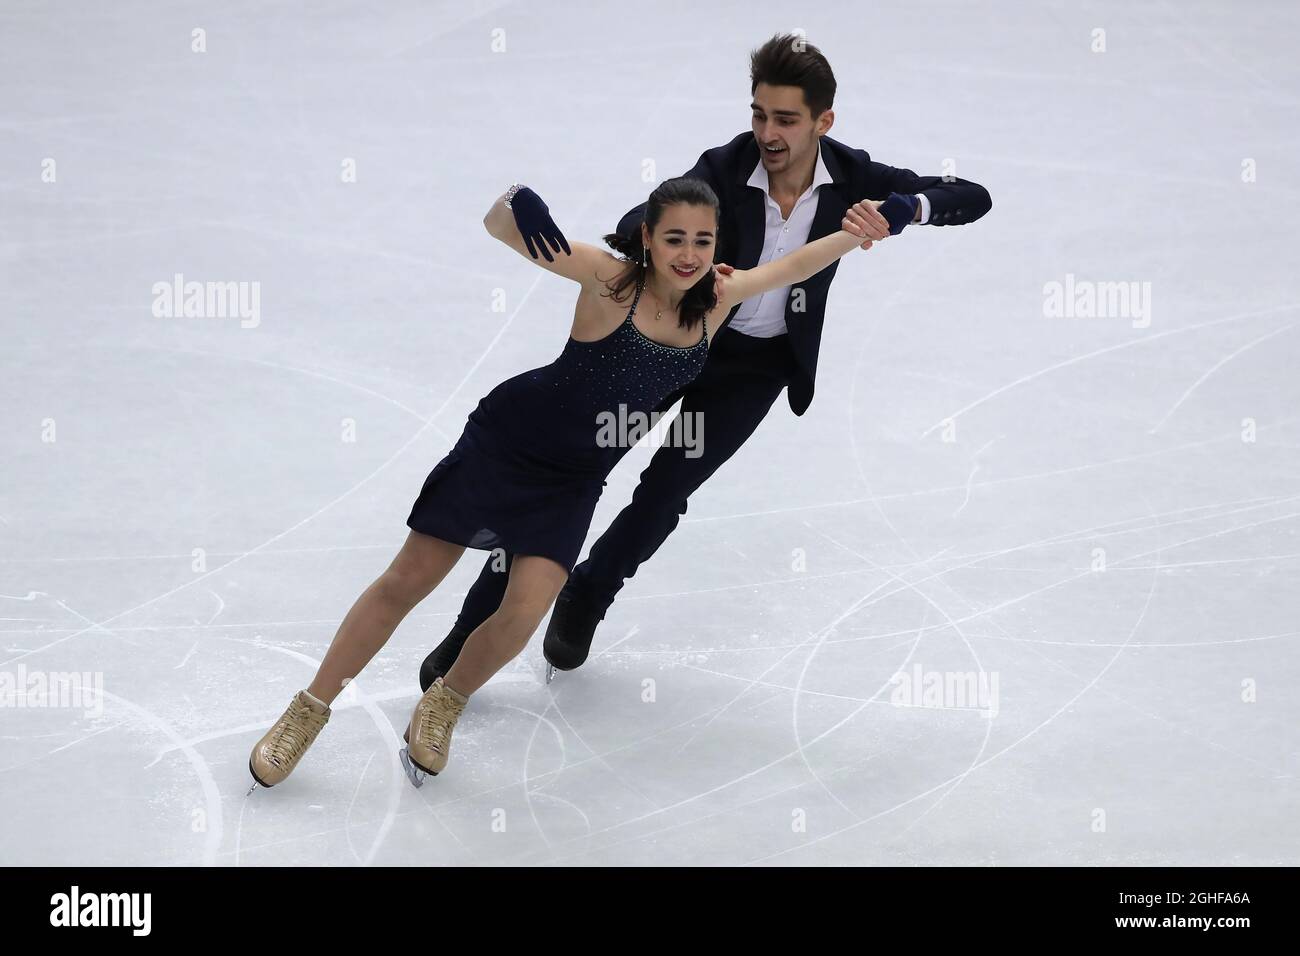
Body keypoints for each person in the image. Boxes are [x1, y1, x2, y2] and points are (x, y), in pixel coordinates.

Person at [248, 174, 907, 790]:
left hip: (573, 481)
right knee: (410, 579)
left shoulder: (717, 301)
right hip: (506, 445)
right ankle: (310, 708)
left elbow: (796, 266)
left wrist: (866, 229)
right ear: (646, 237)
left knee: (527, 608)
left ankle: (444, 701)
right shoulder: (610, 279)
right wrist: (514, 199)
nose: (688, 253)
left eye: (702, 240)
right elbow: (501, 228)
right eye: (673, 237)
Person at [419, 33, 993, 691]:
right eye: (759, 114)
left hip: (754, 371)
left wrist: (909, 208)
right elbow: (658, 211)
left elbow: (971, 195)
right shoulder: (723, 168)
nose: (768, 132)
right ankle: (472, 626)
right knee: (566, 477)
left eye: (785, 119)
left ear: (823, 122)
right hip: (671, 348)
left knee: (667, 490)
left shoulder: (855, 177)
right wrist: (634, 230)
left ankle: (589, 591)